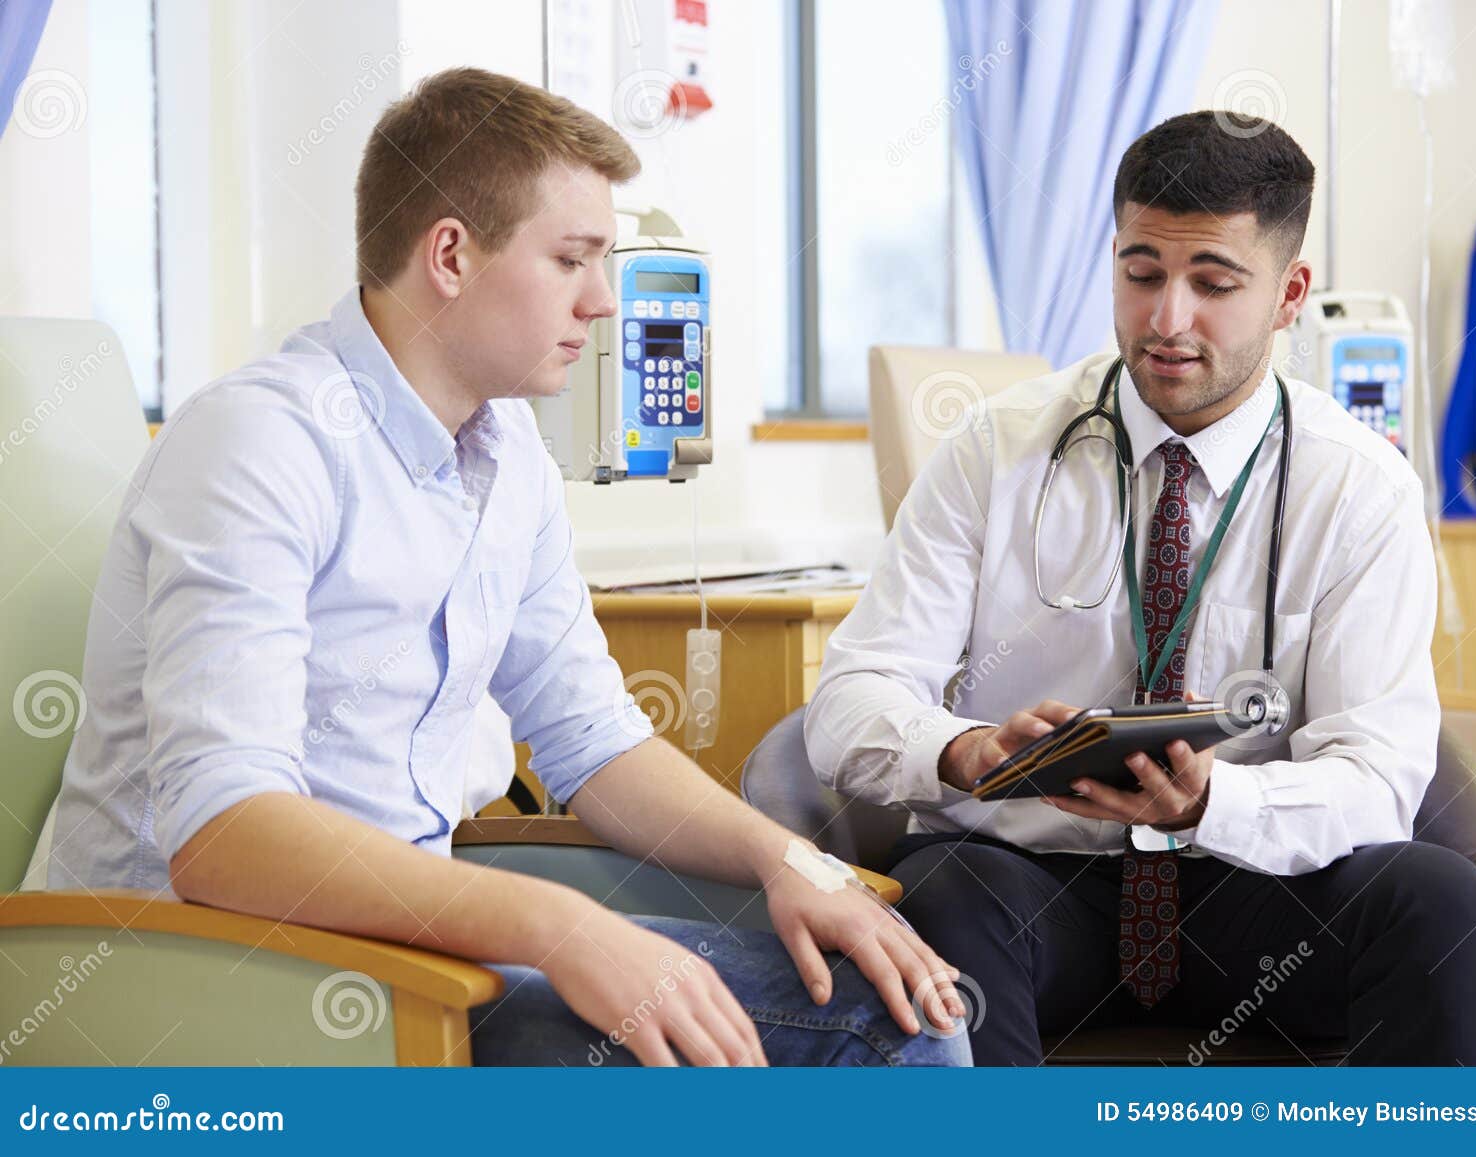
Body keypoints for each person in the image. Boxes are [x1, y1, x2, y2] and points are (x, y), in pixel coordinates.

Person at [32, 67, 968, 1069]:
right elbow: (224, 832)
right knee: (840, 1047)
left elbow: (592, 740)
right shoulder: (261, 442)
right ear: (449, 254)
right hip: (197, 974)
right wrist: (554, 924)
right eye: (572, 259)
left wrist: (787, 858)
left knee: (905, 1010)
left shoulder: (506, 453)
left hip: (399, 953)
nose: (603, 302)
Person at [805, 111, 1476, 1066]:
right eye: (1141, 275)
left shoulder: (1359, 486)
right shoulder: (995, 449)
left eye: (1214, 284)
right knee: (943, 899)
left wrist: (1209, 805)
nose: (1168, 320)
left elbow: (1376, 780)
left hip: (1251, 884)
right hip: (1034, 877)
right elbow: (849, 702)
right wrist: (966, 749)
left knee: (1436, 898)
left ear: (1290, 293)